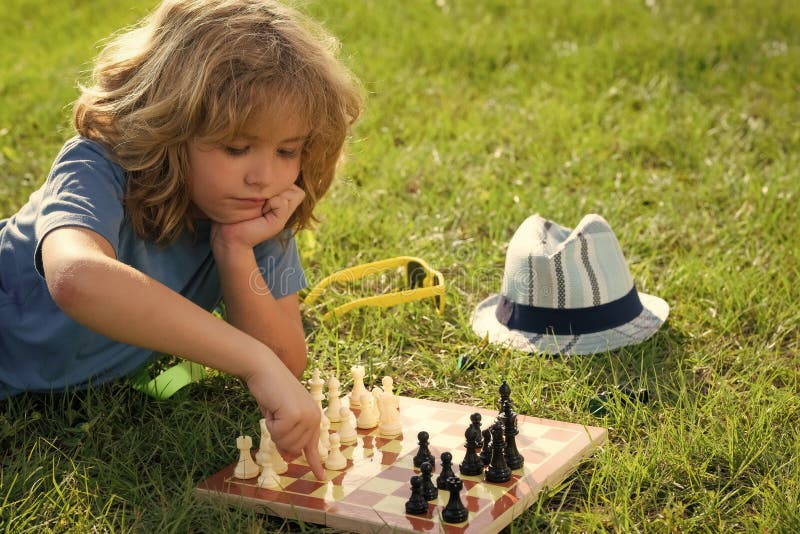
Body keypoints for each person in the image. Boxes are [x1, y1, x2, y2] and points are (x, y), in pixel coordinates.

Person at [0, 0, 362, 479]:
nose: (264, 175)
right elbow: (77, 279)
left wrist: (235, 251)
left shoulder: (253, 215)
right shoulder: (98, 166)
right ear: (171, 127)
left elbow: (285, 360)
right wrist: (251, 361)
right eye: (236, 148)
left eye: (287, 150)